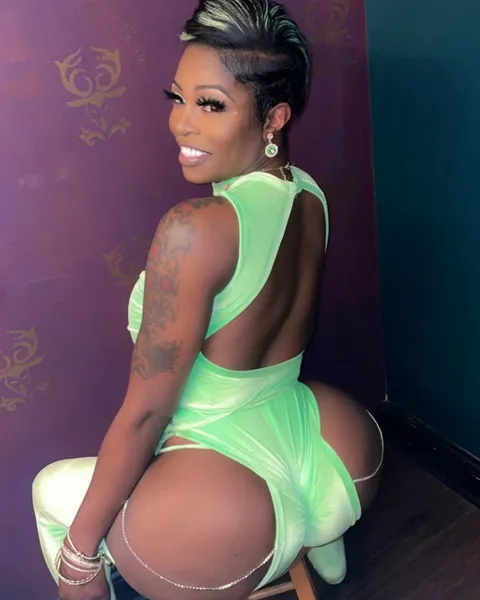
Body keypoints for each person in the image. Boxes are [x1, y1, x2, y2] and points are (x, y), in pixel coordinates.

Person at [32, 1, 384, 599]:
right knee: (305, 502)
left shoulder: (194, 229)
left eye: (211, 105)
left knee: (48, 489)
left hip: (231, 519)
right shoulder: (308, 194)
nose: (181, 124)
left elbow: (147, 414)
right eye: (178, 98)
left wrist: (79, 557)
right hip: (340, 461)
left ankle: (86, 579)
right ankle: (323, 549)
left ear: (274, 118)